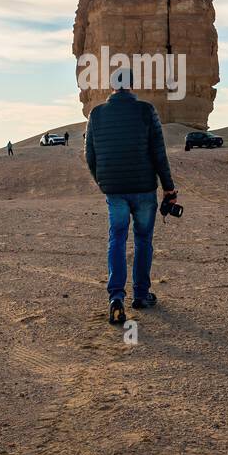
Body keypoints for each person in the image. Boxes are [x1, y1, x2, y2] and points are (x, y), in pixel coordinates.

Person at [84, 67, 178, 325]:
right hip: (144, 189)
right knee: (143, 240)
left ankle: (116, 297)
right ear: (133, 85)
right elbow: (159, 154)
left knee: (116, 238)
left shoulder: (97, 113)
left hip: (114, 190)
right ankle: (140, 294)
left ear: (111, 86)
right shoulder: (146, 111)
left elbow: (89, 155)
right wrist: (169, 188)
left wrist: (103, 181)